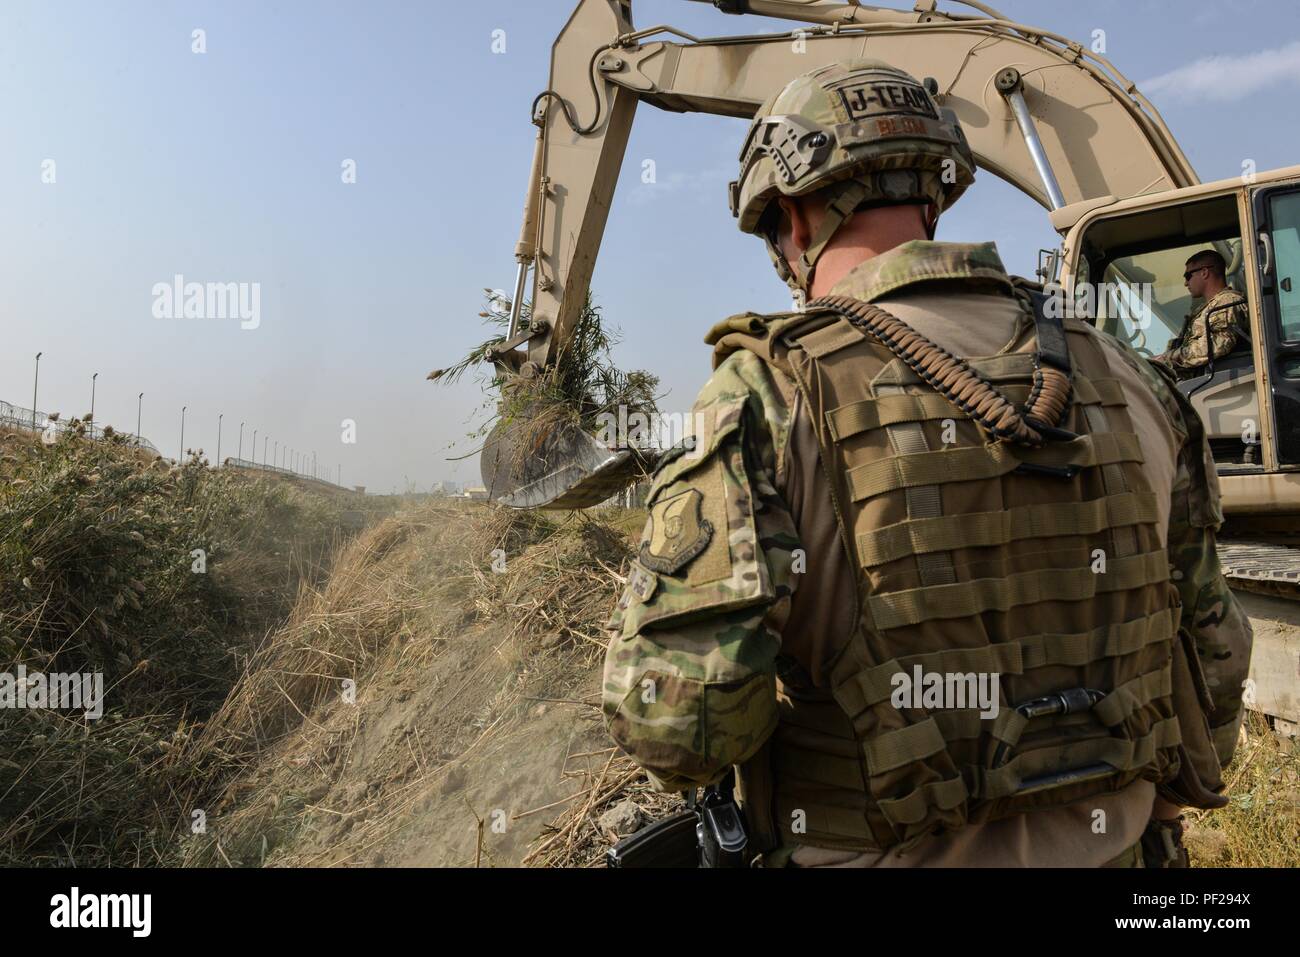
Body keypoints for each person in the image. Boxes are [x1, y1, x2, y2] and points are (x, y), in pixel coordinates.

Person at [601, 58, 1252, 867]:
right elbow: (1216, 649)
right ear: (932, 196)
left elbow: (679, 727)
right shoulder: (1132, 377)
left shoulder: (767, 393)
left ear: (795, 221)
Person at [1160, 250, 1250, 377]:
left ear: (1204, 272)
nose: (1186, 283)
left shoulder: (1228, 301)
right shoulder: (1209, 307)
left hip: (1218, 382)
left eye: (1188, 276)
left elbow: (1218, 344)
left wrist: (1168, 359)